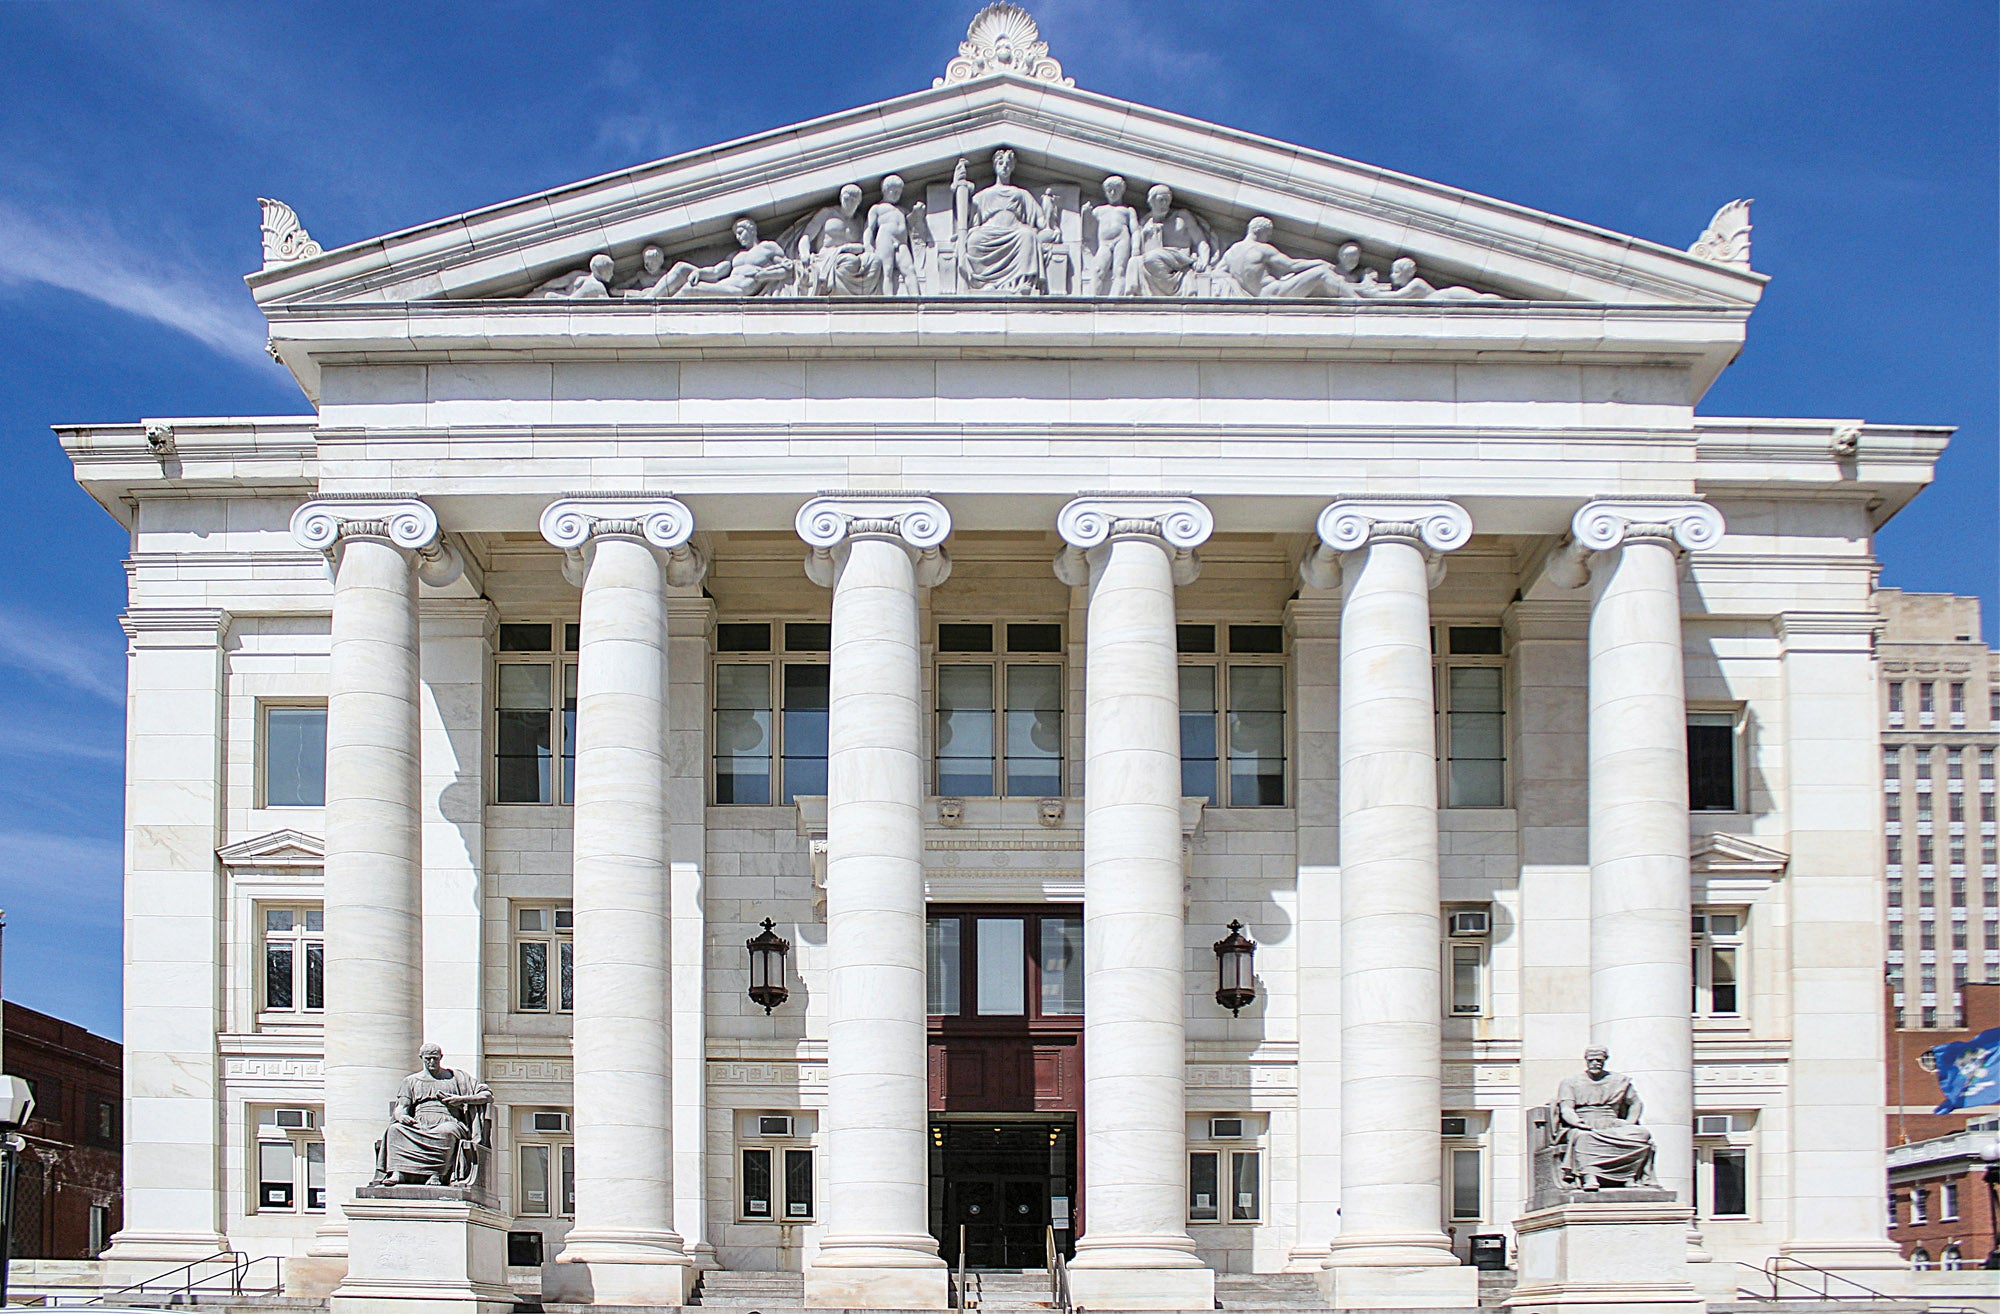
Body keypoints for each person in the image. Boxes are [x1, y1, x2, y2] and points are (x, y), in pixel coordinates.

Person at [373, 1043, 492, 1188]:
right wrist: (402, 1116)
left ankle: (436, 1174)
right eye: (428, 1059)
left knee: (446, 1132)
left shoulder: (456, 1077)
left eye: (435, 1058)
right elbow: (401, 1107)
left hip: (447, 1119)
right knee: (395, 1130)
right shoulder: (411, 1081)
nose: (431, 1062)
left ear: (441, 1057)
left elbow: (487, 1096)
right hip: (419, 1123)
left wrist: (460, 1100)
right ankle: (398, 1171)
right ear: (421, 1058)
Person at [1552, 1047, 1656, 1191]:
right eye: (1591, 1060)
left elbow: (1635, 1103)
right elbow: (1566, 1108)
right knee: (1583, 1137)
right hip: (1583, 1121)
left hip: (1611, 1121)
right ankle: (1590, 1176)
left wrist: (1629, 1123)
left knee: (1641, 1134)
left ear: (1605, 1060)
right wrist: (1577, 1123)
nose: (1595, 1063)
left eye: (1599, 1060)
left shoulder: (1619, 1081)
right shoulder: (1571, 1082)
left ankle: (1627, 1175)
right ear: (1586, 1061)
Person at [960, 148, 1053, 294]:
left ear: (1013, 167)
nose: (1004, 166)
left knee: (1027, 235)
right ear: (994, 166)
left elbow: (1039, 218)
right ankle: (984, 282)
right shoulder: (983, 195)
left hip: (1014, 230)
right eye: (1000, 163)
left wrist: (1048, 222)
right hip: (989, 230)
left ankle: (1022, 282)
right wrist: (960, 188)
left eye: (1008, 164)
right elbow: (966, 216)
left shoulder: (1021, 194)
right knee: (974, 240)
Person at [641, 216, 795, 298]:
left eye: (741, 232)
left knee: (689, 290)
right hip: (723, 283)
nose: (738, 237)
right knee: (681, 267)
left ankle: (660, 316)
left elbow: (787, 269)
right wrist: (699, 273)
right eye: (736, 234)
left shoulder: (767, 247)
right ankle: (647, 302)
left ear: (752, 230)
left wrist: (764, 275)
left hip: (738, 289)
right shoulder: (736, 255)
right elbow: (716, 271)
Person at [1221, 217, 1354, 299]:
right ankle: (1358, 301)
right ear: (1259, 231)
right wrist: (1320, 262)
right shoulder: (1261, 248)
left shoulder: (1231, 252)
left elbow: (1217, 273)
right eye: (1268, 234)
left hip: (1259, 293)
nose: (1267, 238)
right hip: (1275, 292)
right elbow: (1291, 265)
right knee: (1322, 273)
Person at [797, 184, 882, 296]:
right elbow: (806, 236)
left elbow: (864, 243)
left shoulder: (859, 221)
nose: (849, 203)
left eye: (854, 200)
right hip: (828, 255)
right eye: (847, 198)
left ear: (859, 202)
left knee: (874, 260)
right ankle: (838, 292)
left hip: (852, 255)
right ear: (841, 198)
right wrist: (804, 254)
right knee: (849, 261)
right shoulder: (828, 213)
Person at [1131, 184, 1214, 296]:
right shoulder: (1146, 223)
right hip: (1158, 263)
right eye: (1161, 200)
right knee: (1134, 262)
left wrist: (1203, 261)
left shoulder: (1181, 217)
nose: (1164, 204)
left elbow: (1200, 241)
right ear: (1151, 202)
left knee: (1152, 258)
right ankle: (1132, 296)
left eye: (1167, 200)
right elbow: (1138, 248)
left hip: (1180, 257)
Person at [864, 175, 926, 296]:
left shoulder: (901, 210)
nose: (897, 194)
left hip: (901, 242)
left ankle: (917, 299)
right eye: (894, 190)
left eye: (899, 191)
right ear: (885, 190)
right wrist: (867, 244)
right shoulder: (877, 208)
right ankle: (887, 300)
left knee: (909, 269)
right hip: (885, 238)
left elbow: (912, 222)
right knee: (886, 270)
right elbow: (869, 228)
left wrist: (917, 212)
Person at [1081, 175, 1140, 296]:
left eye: (1116, 190)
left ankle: (1115, 299)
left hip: (1122, 239)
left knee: (1119, 270)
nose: (1113, 193)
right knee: (1097, 270)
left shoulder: (1127, 210)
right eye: (1109, 190)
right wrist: (1085, 213)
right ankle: (1093, 299)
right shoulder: (1099, 210)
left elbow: (1135, 230)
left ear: (1122, 191)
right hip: (1104, 243)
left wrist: (1136, 247)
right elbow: (1088, 231)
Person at [534, 253, 616, 299]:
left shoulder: (580, 276)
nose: (612, 274)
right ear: (601, 270)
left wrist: (541, 287)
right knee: (545, 295)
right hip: (564, 299)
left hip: (561, 297)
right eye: (609, 271)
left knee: (543, 295)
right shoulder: (595, 286)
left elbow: (558, 282)